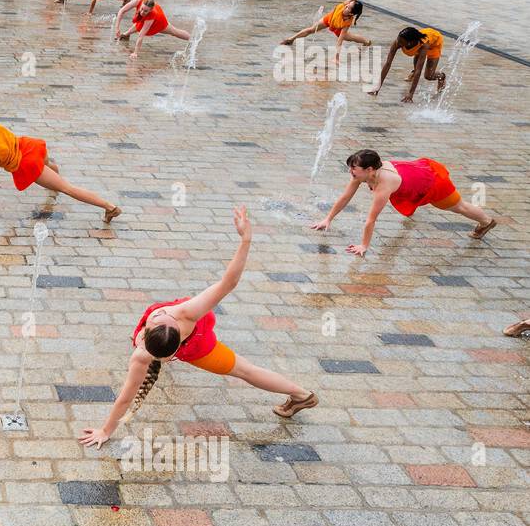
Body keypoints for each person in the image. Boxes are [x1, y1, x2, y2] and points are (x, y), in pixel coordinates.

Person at [80, 207, 318, 449]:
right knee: (247, 371)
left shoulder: (172, 327)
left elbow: (125, 398)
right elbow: (228, 284)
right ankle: (300, 394)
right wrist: (245, 238)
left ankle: (303, 396)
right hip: (190, 342)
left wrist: (246, 240)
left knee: (245, 371)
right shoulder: (179, 321)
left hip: (201, 346)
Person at [310, 149, 496, 255]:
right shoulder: (362, 175)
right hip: (414, 175)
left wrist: (364, 246)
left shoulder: (384, 183)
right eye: (350, 167)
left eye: (354, 168)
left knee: (459, 207)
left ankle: (487, 222)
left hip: (432, 182)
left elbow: (371, 219)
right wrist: (328, 219)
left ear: (369, 169)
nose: (350, 171)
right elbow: (345, 197)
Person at [0, 118, 120, 222]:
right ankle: (53, 177)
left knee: (67, 188)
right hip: (30, 146)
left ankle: (110, 207)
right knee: (49, 167)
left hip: (27, 163)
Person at [367, 26, 446, 102]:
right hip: (419, 43)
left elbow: (419, 71)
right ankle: (413, 73)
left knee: (428, 76)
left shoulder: (423, 46)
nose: (398, 42)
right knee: (416, 69)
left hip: (434, 45)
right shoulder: (398, 42)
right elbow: (388, 64)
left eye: (401, 42)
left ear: (410, 42)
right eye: (398, 39)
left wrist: (410, 94)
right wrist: (377, 88)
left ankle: (442, 76)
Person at [113, 0, 193, 58]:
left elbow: (141, 35)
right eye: (141, 9)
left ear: (150, 10)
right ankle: (125, 35)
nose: (142, 12)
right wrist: (117, 28)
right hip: (150, 16)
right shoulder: (138, 0)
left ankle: (192, 39)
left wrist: (135, 52)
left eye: (145, 11)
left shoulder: (152, 15)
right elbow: (122, 11)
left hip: (159, 21)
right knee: (139, 23)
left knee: (174, 32)